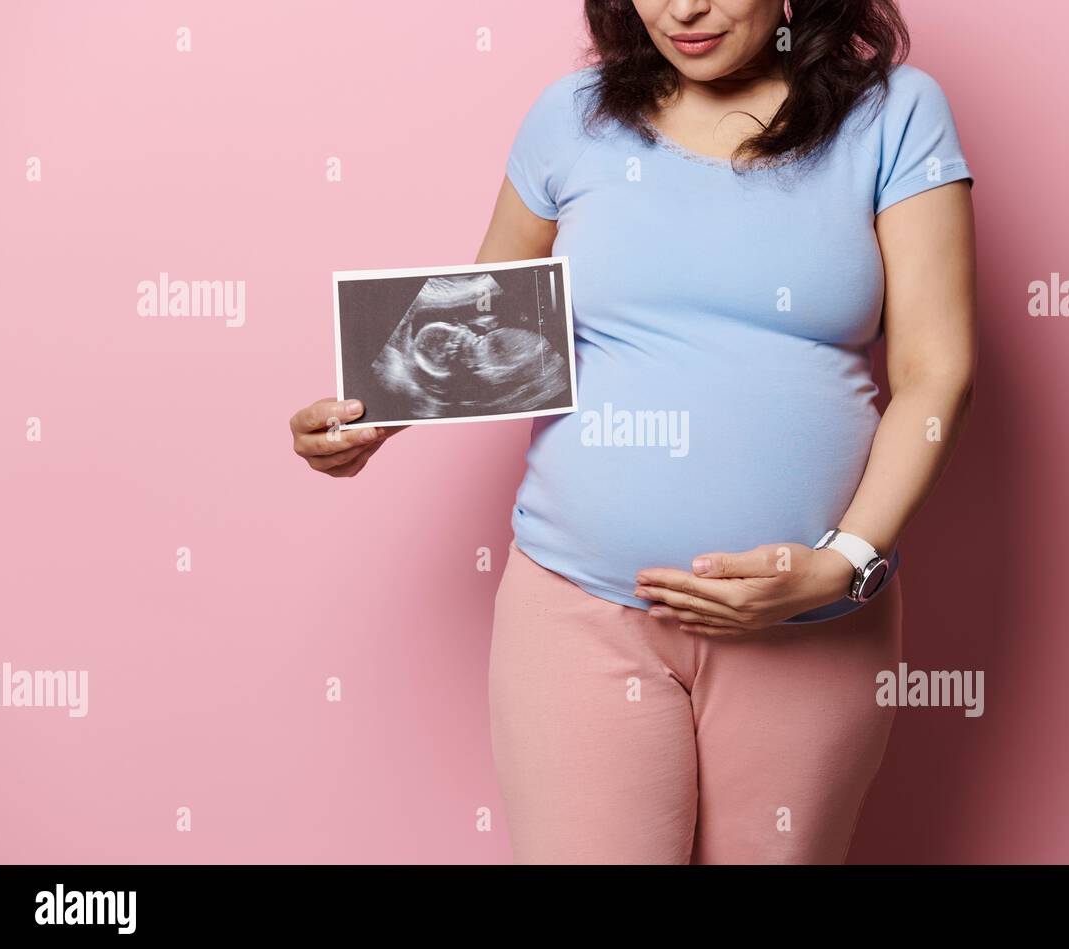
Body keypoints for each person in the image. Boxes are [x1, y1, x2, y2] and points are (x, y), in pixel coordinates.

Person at [289, 0, 976, 864]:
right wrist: (371, 415)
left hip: (806, 617)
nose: (682, 8)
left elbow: (935, 373)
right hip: (576, 606)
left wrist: (844, 563)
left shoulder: (897, 114)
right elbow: (485, 319)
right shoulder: (571, 116)